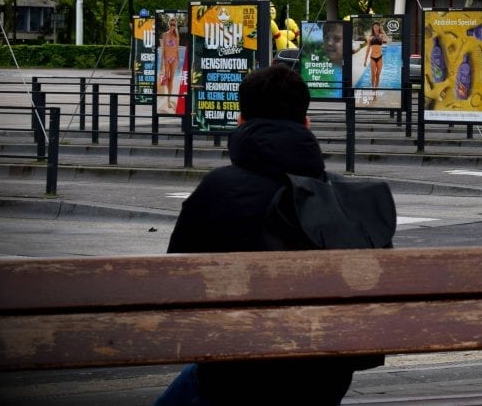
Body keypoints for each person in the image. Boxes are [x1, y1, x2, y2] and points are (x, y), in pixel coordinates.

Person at [155, 66, 386, 406]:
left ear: (240, 121)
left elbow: (175, 280)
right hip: (325, 377)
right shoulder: (343, 195)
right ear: (306, 122)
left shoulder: (219, 189)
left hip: (236, 375)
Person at [159, 16, 180, 112]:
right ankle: (168, 96)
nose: (172, 26)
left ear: (176, 26)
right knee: (166, 79)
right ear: (169, 25)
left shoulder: (177, 36)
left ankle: (168, 99)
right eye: (171, 24)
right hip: (167, 59)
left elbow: (177, 49)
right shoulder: (165, 35)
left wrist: (178, 60)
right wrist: (161, 62)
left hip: (174, 59)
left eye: (174, 24)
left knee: (171, 80)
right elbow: (163, 49)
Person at [362, 21, 388, 91]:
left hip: (380, 57)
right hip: (372, 57)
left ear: (379, 27)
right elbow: (368, 49)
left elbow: (387, 40)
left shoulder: (381, 35)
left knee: (378, 75)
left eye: (377, 27)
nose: (375, 28)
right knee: (373, 75)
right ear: (373, 28)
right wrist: (365, 60)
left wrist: (383, 31)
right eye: (374, 27)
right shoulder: (370, 37)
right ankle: (373, 89)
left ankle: (375, 91)